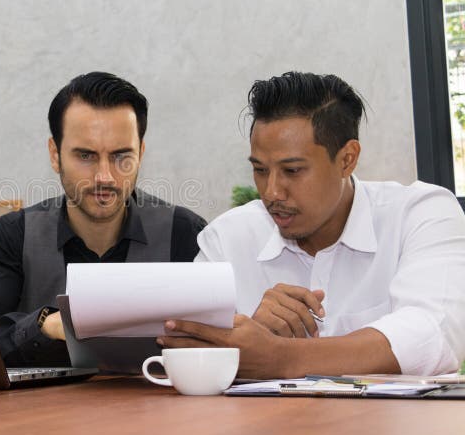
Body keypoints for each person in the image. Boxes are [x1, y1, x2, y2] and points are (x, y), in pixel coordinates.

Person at [160, 71, 465, 378]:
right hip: (264, 427)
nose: (271, 192)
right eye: (260, 170)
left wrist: (278, 357)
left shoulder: (420, 214)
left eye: (292, 170)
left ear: (347, 159)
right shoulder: (226, 239)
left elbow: (432, 333)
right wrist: (250, 335)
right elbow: (187, 349)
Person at [0, 72, 207, 366]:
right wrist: (46, 325)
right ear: (54, 154)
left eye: (121, 156)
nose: (104, 177)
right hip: (41, 412)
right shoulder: (15, 235)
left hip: (156, 409)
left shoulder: (185, 233)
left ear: (141, 153)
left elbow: (217, 340)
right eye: (85, 156)